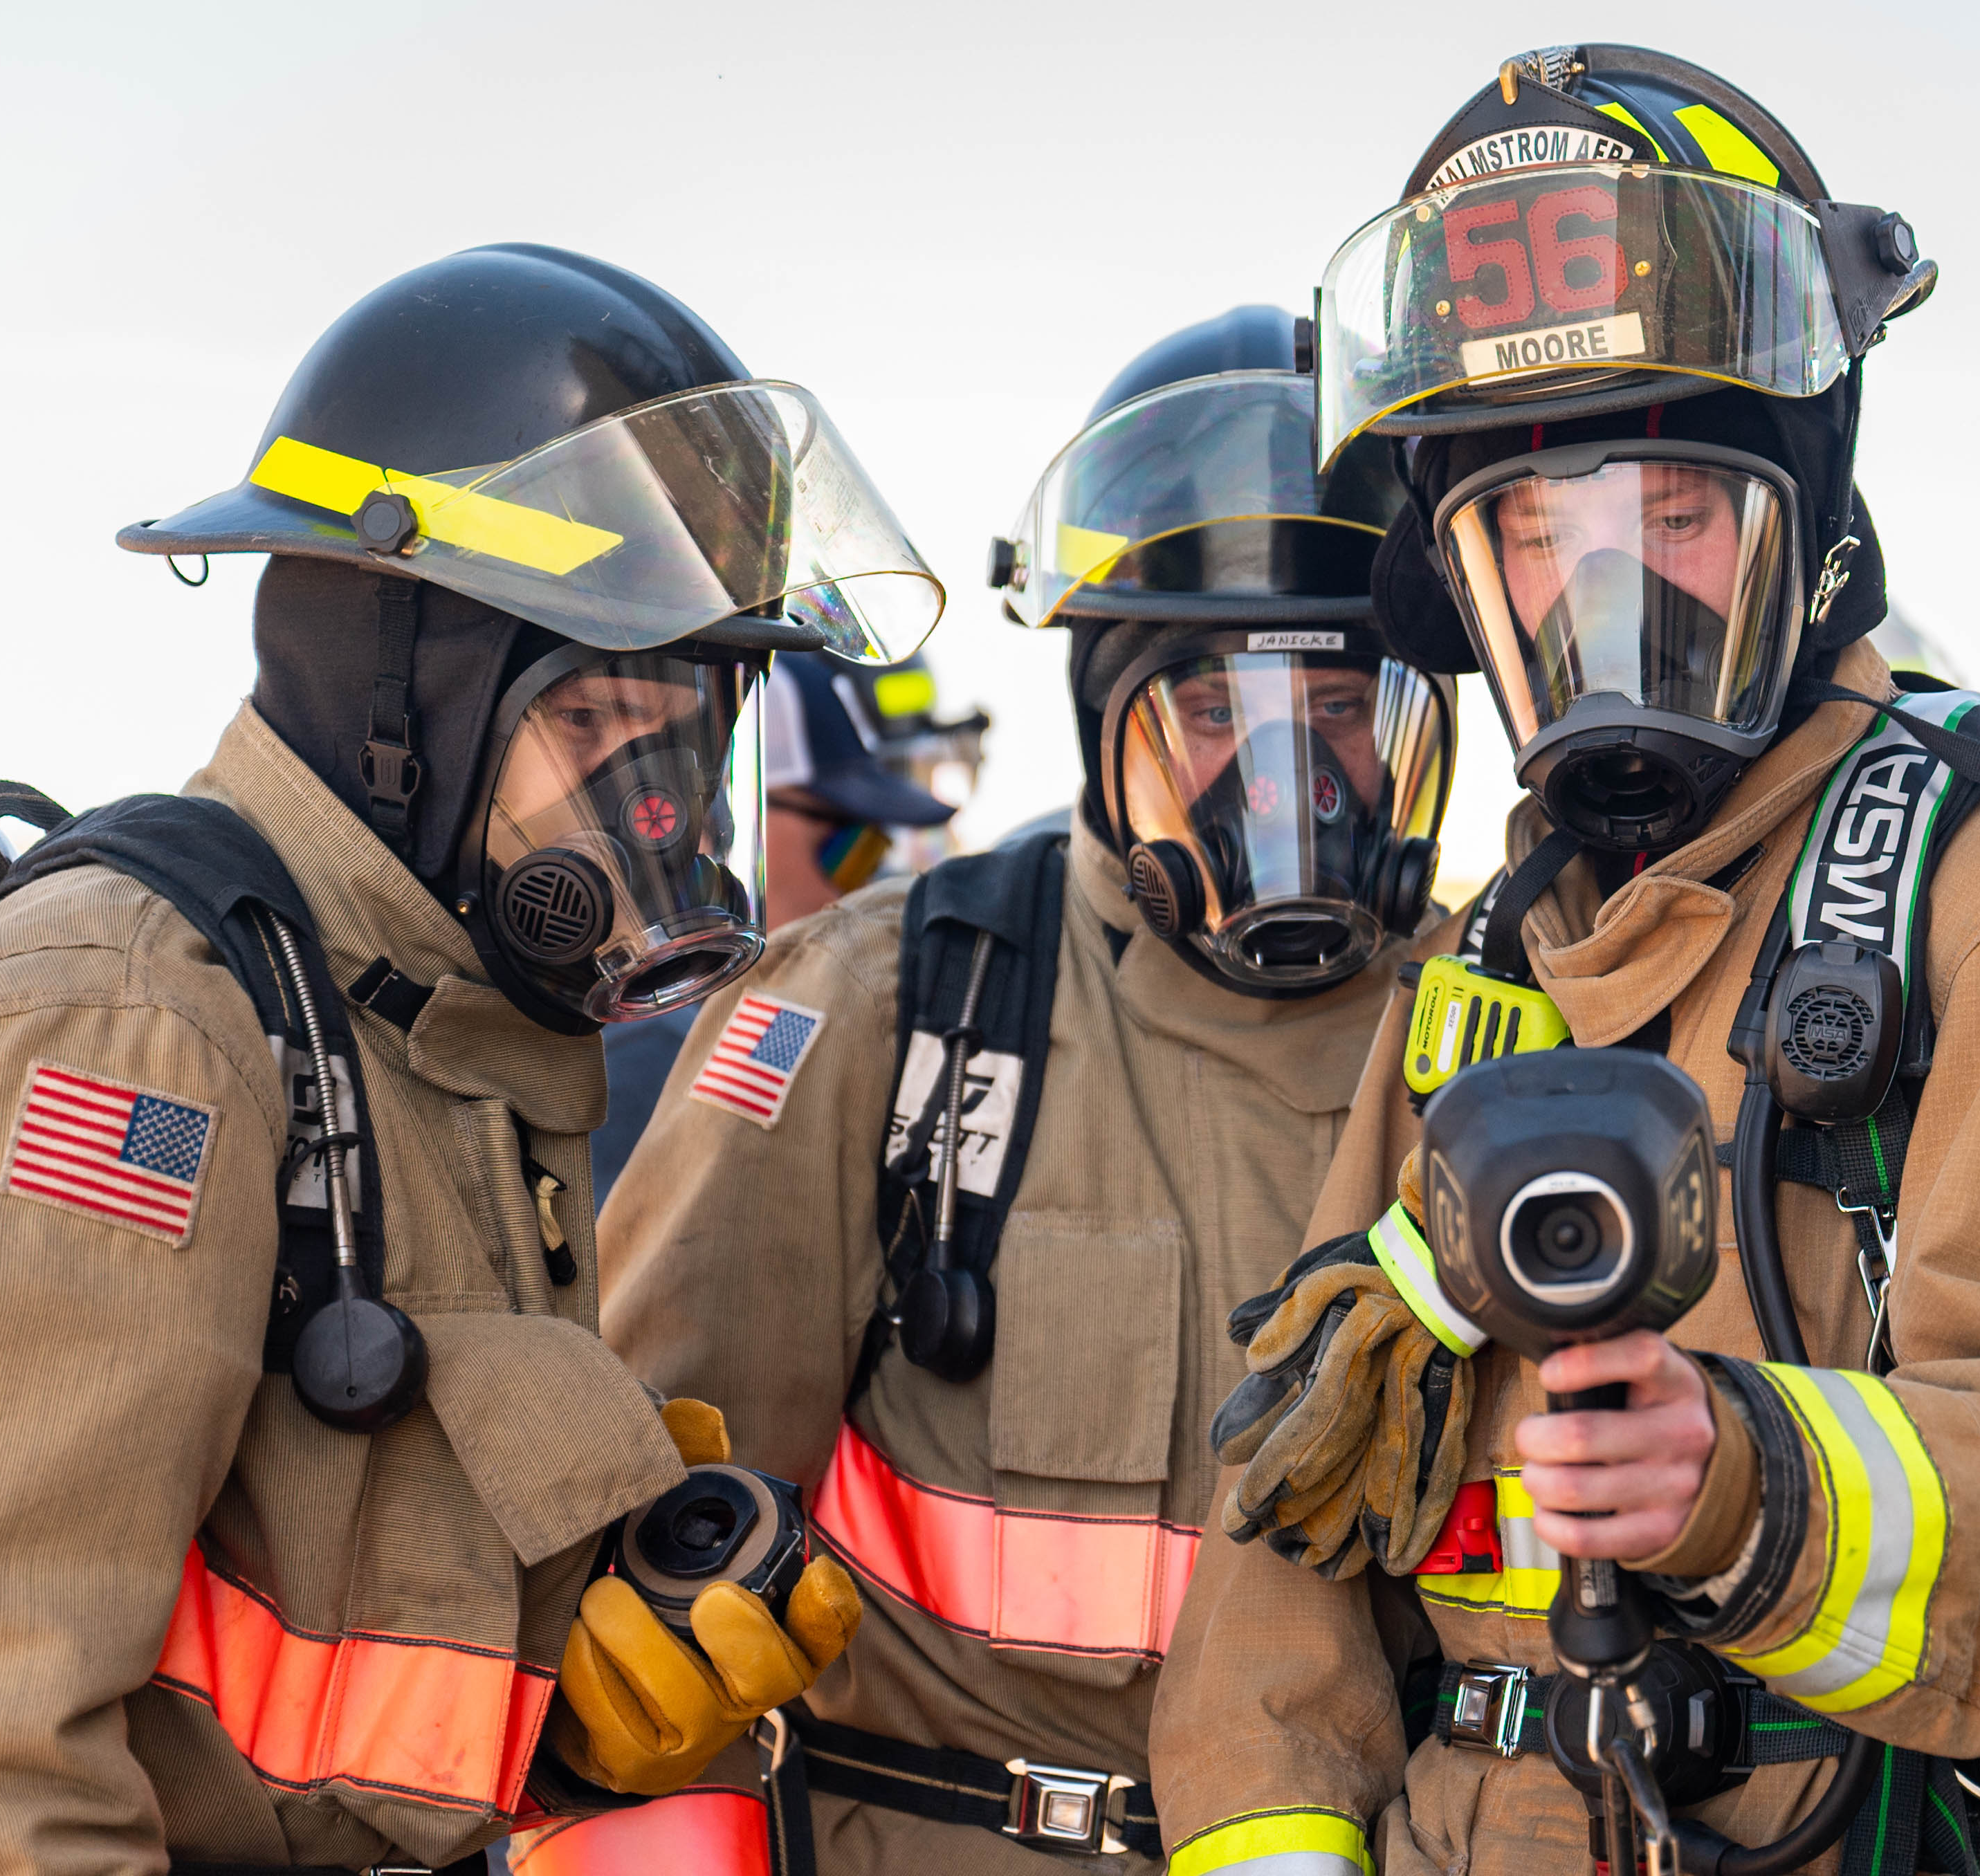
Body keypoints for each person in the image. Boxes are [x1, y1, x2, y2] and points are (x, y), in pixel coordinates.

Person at [0, 243, 948, 1873]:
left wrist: (552, 1721)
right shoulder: (128, 1045)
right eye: (591, 723)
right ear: (403, 693)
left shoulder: (423, 1046)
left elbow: (269, 1701)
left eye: (687, 734)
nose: (653, 817)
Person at [1148, 48, 1980, 1876]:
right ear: (1459, 576)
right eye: (1533, 531)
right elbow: (1290, 1567)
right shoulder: (1489, 964)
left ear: (1802, 521)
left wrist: (1739, 1484)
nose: (1606, 601)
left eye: (1671, 517)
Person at [548, 307, 1458, 1876]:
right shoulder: (886, 1002)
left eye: (1338, 710)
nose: (1286, 779)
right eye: (1214, 711)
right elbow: (644, 1579)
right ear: (1105, 714)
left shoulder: (1503, 1036)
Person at [591, 649, 964, 1193]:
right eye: (850, 846)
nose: (865, 882)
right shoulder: (649, 1052)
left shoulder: (752, 1027)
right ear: (719, 824)